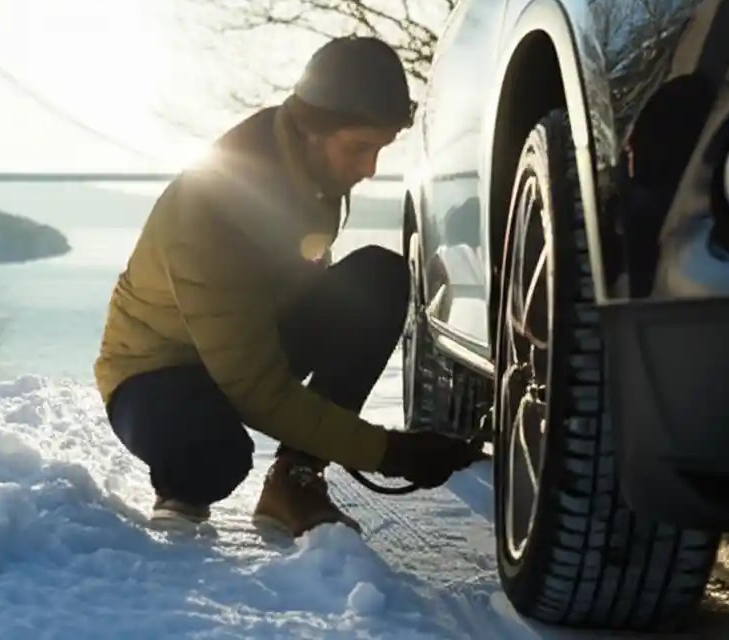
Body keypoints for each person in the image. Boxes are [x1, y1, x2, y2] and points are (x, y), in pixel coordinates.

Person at [94, 36, 481, 538]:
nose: (370, 169)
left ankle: (295, 479)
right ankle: (182, 478)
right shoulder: (213, 208)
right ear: (311, 130)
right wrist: (392, 453)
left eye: (380, 149)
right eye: (359, 148)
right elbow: (257, 388)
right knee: (214, 458)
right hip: (155, 372)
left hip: (244, 342)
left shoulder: (310, 172)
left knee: (377, 279)